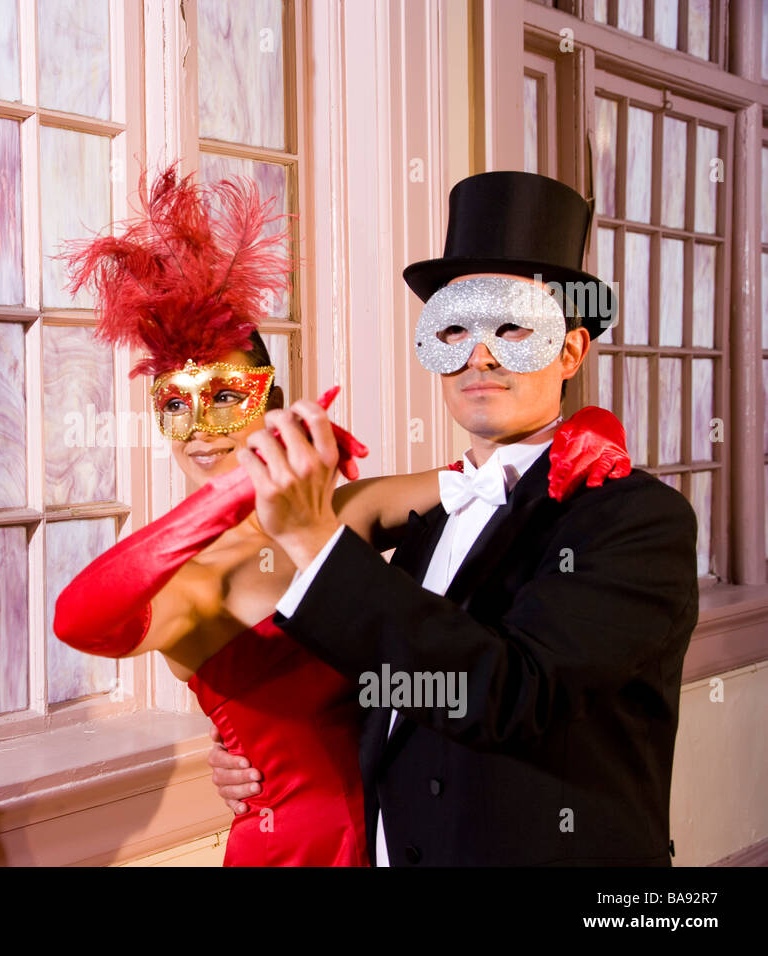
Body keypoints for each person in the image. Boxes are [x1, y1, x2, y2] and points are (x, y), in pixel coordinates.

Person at [53, 167, 633, 866]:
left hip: (409, 834)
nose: (202, 431)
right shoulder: (191, 585)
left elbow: (489, 482)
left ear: (274, 402)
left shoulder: (342, 514)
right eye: (177, 407)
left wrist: (593, 425)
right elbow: (80, 618)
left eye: (227, 400)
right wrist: (237, 495)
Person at [212, 170, 698, 866]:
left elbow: (508, 694)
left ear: (569, 351)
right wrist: (258, 749)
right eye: (454, 328)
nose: (479, 355)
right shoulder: (433, 516)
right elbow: (396, 686)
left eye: (512, 328)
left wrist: (316, 540)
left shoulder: (637, 521)